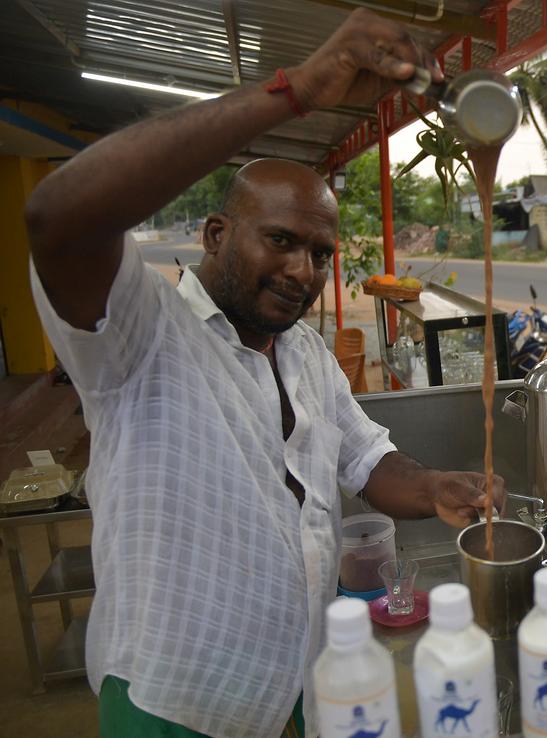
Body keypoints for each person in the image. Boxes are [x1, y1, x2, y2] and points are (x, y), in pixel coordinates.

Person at [24, 9, 504, 738]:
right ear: (216, 234)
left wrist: (435, 485)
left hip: (298, 695)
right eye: (279, 240)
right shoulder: (140, 336)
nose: (302, 271)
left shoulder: (305, 354)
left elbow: (365, 456)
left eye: (319, 253)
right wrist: (299, 90)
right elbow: (58, 217)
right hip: (176, 707)